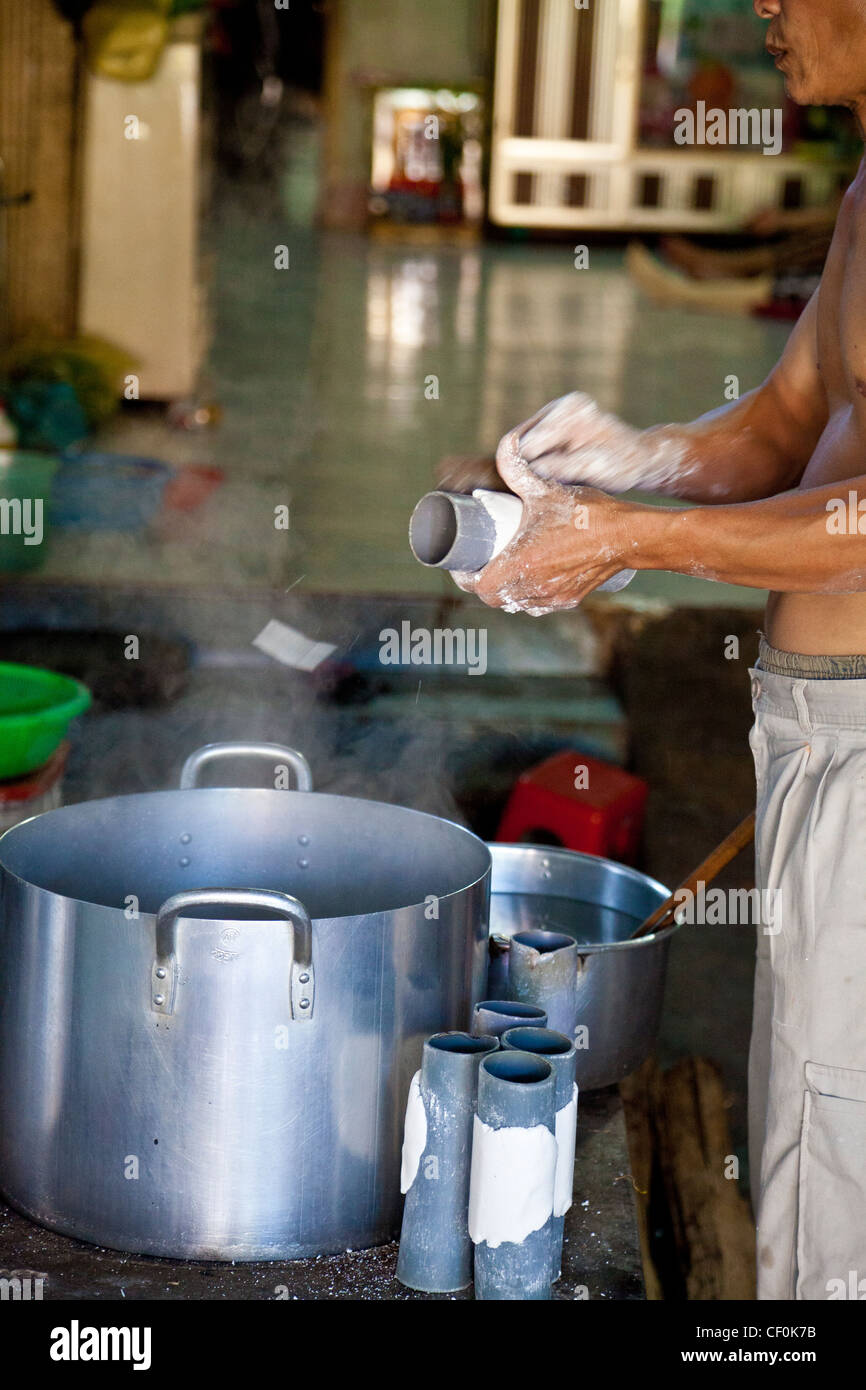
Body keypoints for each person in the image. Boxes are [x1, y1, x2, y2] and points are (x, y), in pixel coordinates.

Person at [450, 0, 866, 1301]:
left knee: (831, 1161)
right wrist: (630, 459)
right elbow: (794, 418)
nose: (759, 8)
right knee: (809, 1114)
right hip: (818, 734)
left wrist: (627, 531)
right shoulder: (864, 197)